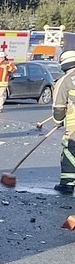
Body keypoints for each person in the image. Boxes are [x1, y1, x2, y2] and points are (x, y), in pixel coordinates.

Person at [52, 50, 75, 193]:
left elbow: (59, 107)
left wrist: (58, 121)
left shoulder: (65, 80)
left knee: (70, 152)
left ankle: (67, 184)